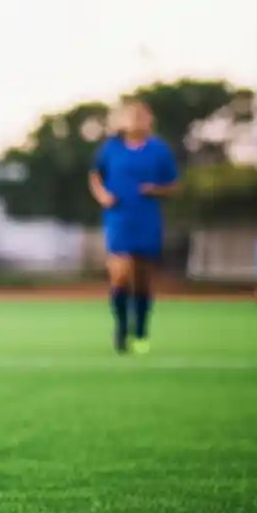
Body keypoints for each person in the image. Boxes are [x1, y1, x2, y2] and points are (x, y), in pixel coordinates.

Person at [89, 99, 178, 354]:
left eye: (142, 115)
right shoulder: (111, 149)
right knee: (119, 273)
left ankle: (140, 330)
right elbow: (95, 176)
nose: (137, 119)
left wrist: (156, 189)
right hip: (119, 217)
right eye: (132, 115)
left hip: (147, 217)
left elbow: (173, 184)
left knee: (141, 278)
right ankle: (120, 327)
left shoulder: (159, 150)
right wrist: (103, 195)